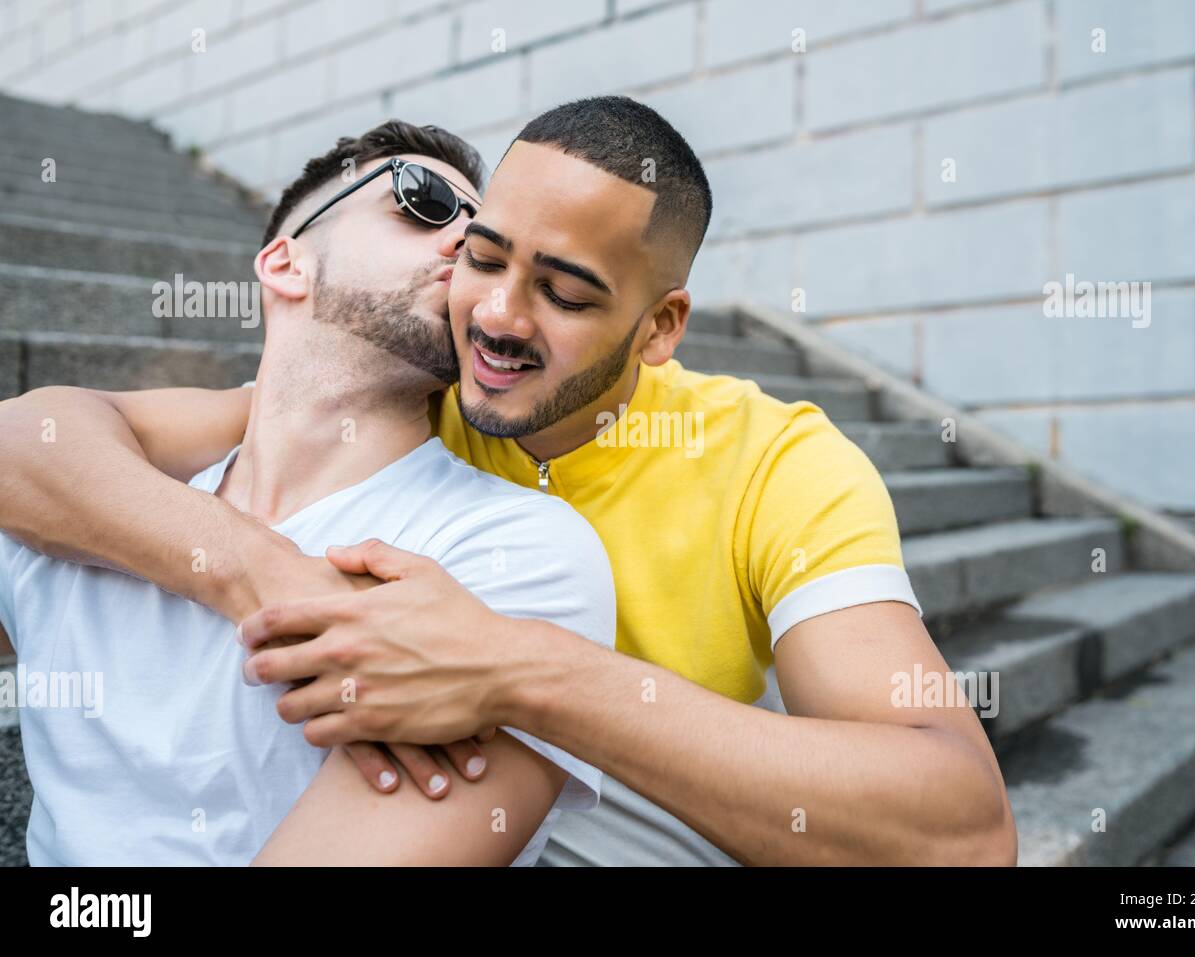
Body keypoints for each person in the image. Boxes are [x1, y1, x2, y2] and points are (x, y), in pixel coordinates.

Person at [0, 98, 1017, 865]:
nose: (492, 312)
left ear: (660, 326)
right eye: (470, 243)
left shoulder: (777, 465)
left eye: (565, 290)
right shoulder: (397, 404)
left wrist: (520, 668)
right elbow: (45, 442)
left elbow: (959, 830)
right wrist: (274, 580)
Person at [0, 121, 615, 865]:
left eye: (483, 232)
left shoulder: (513, 553)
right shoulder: (90, 507)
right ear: (285, 263)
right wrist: (256, 567)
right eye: (420, 201)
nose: (469, 244)